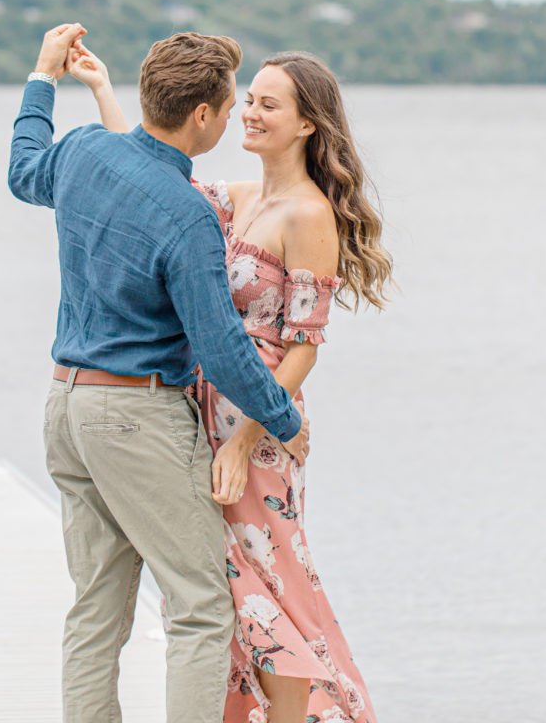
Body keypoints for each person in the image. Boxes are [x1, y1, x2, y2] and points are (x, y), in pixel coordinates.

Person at [67, 37, 392, 723]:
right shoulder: (238, 196)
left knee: (270, 585)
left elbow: (305, 346)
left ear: (307, 124)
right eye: (248, 100)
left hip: (259, 422)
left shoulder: (308, 215)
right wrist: (103, 94)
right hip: (196, 413)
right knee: (226, 585)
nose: (250, 113)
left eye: (268, 104)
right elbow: (149, 179)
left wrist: (248, 437)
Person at [7, 23, 311, 723]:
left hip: (66, 406)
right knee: (203, 608)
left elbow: (25, 169)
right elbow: (220, 345)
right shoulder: (185, 214)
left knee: (95, 609)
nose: (235, 117)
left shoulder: (83, 150)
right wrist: (284, 418)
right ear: (201, 115)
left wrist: (41, 77)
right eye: (232, 107)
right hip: (134, 417)